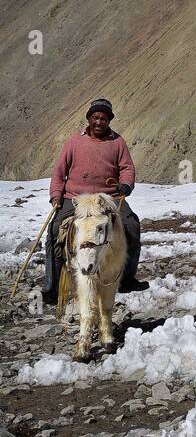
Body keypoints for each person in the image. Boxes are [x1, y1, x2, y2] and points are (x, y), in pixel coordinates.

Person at [41, 98, 148, 306]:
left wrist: (126, 185)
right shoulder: (74, 142)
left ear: (109, 121)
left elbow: (127, 168)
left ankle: (127, 280)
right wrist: (56, 196)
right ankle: (51, 287)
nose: (99, 122)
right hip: (76, 197)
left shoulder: (117, 142)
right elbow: (59, 172)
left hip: (108, 197)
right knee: (54, 232)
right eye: (96, 117)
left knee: (132, 226)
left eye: (104, 118)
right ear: (89, 118)